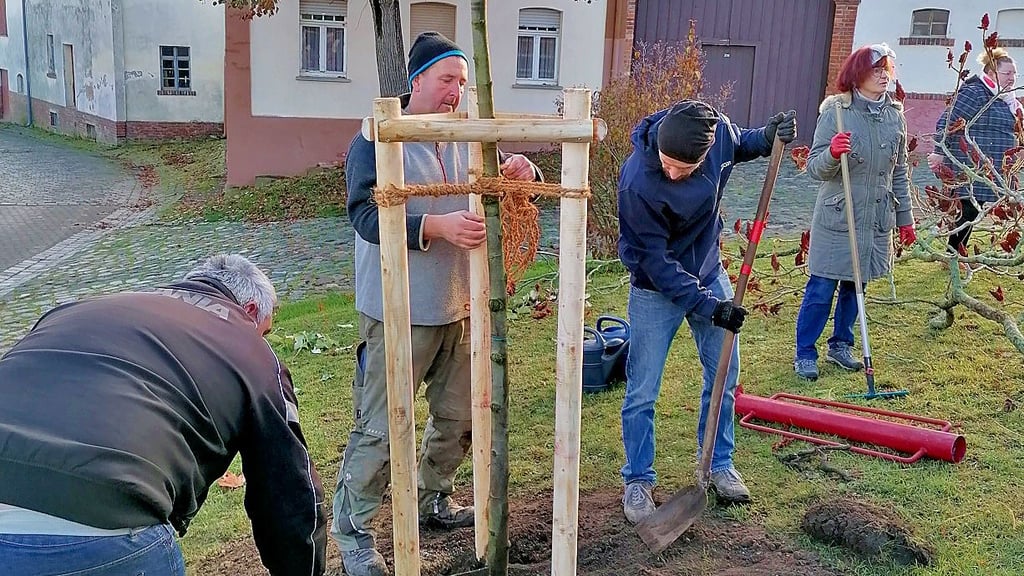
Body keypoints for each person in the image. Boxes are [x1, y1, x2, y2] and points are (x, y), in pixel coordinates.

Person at [332, 31, 541, 576]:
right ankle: (355, 534)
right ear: (417, 80)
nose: (455, 92)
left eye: (462, 83)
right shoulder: (378, 137)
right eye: (446, 80)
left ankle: (432, 499)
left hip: (460, 307)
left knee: (458, 420)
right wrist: (435, 227)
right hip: (397, 311)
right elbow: (365, 216)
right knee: (381, 428)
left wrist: (524, 172)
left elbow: (500, 183)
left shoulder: (468, 133)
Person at [0, 254, 327, 576]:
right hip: (106, 522)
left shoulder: (77, 309)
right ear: (251, 311)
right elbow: (289, 495)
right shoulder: (250, 349)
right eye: (265, 331)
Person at [617, 99, 797, 523]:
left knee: (724, 374)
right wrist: (710, 307)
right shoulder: (638, 182)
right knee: (642, 389)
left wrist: (768, 138)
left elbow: (743, 144)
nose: (672, 173)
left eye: (683, 167)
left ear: (705, 152)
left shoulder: (717, 139)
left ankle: (718, 465)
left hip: (707, 269)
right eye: (667, 163)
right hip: (654, 286)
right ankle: (638, 481)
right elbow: (658, 265)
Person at [793, 44, 916, 381]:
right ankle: (805, 352)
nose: (882, 75)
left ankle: (841, 345)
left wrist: (905, 220)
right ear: (857, 74)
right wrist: (833, 153)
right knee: (821, 288)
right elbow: (815, 169)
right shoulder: (836, 113)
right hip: (838, 217)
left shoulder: (895, 117)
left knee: (855, 286)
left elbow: (900, 172)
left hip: (874, 218)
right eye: (875, 69)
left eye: (886, 69)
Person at [927, 48, 1020, 254]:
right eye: (1007, 73)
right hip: (971, 164)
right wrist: (938, 151)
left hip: (990, 166)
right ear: (991, 72)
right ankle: (953, 254)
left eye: (1015, 74)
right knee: (968, 208)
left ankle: (956, 253)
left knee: (975, 210)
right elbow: (948, 120)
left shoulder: (1007, 99)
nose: (1012, 78)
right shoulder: (975, 92)